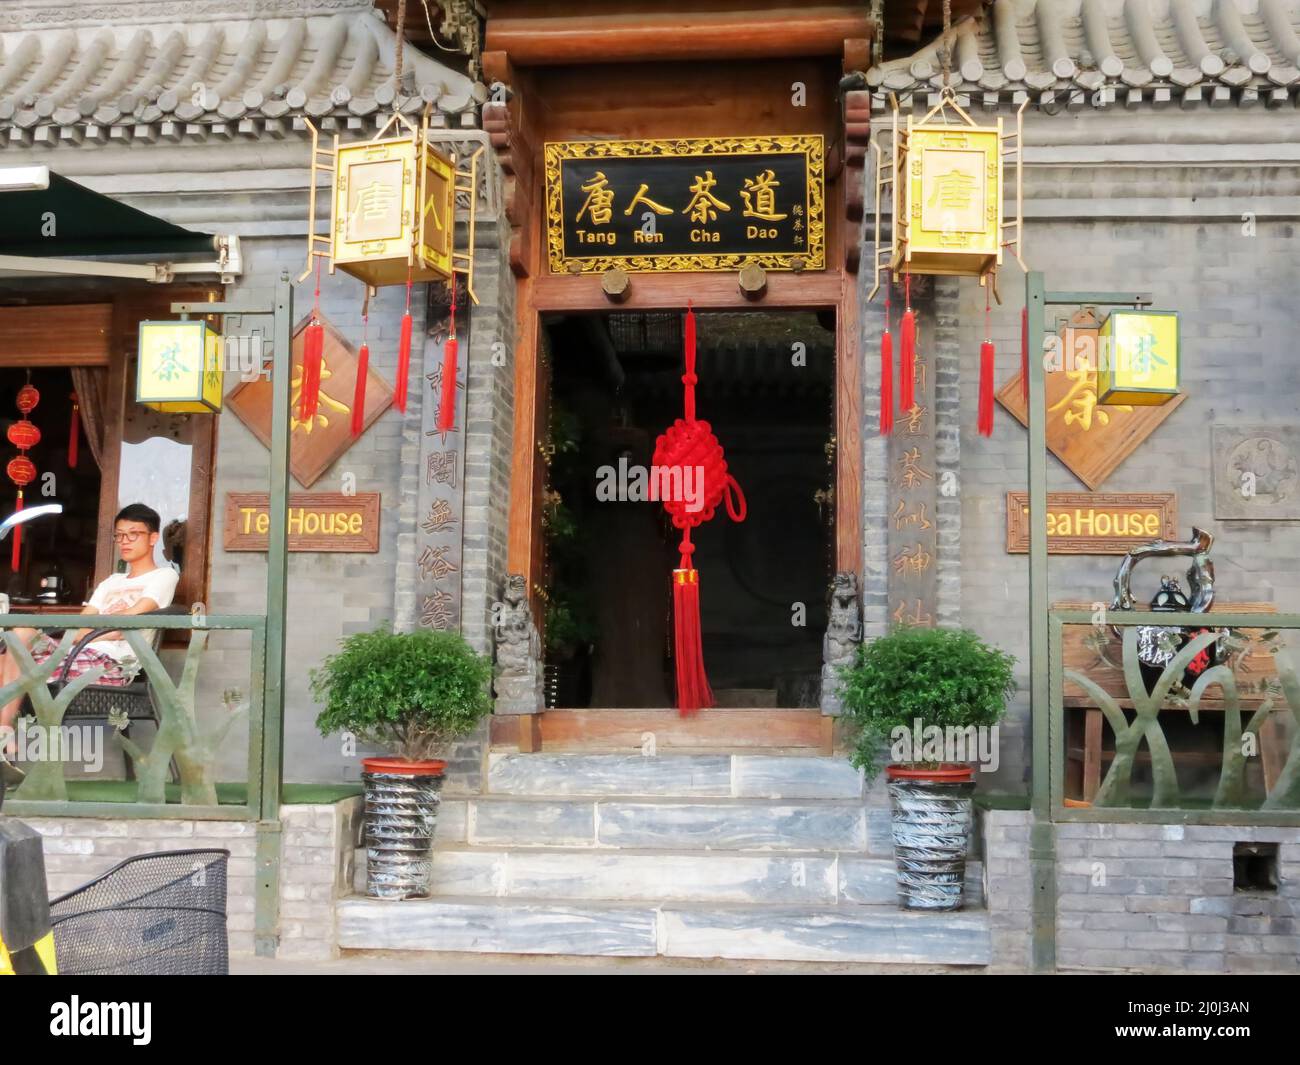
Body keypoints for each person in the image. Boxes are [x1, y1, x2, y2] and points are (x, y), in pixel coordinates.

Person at [0, 503, 179, 756]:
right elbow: (82, 625)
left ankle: (5, 739)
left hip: (113, 662)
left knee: (11, 663)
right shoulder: (111, 582)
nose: (124, 541)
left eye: (133, 534)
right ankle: (5, 734)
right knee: (20, 635)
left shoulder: (164, 576)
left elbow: (131, 620)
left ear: (152, 538)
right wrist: (96, 631)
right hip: (78, 651)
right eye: (120, 535)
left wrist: (92, 632)